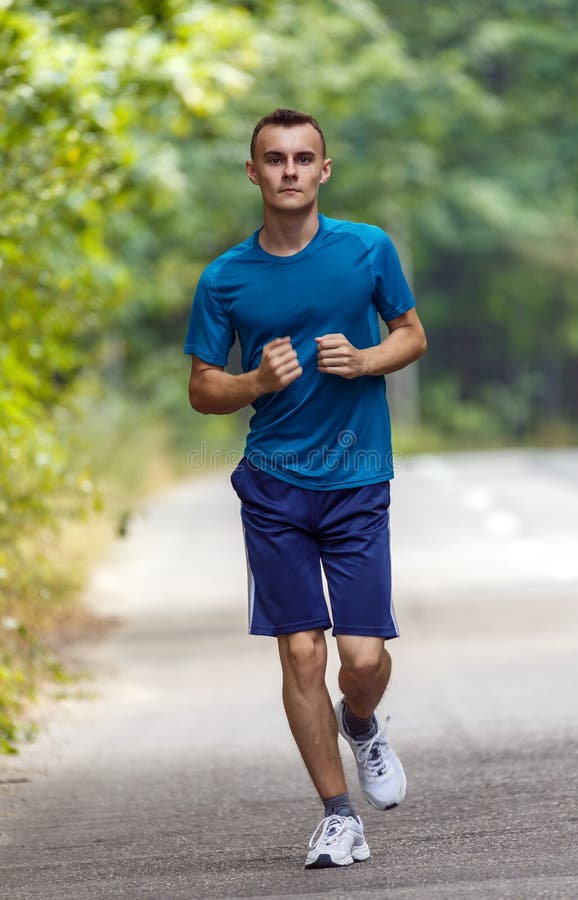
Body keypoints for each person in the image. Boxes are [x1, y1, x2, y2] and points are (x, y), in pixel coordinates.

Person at [185, 108, 426, 869]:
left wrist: (367, 360)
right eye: (274, 158)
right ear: (252, 171)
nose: (289, 171)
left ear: (324, 170)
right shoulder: (225, 278)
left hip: (357, 480)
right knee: (299, 653)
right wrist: (254, 380)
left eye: (302, 158)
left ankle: (363, 723)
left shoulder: (367, 249)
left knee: (363, 659)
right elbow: (202, 387)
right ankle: (337, 816)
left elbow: (412, 334)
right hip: (273, 486)